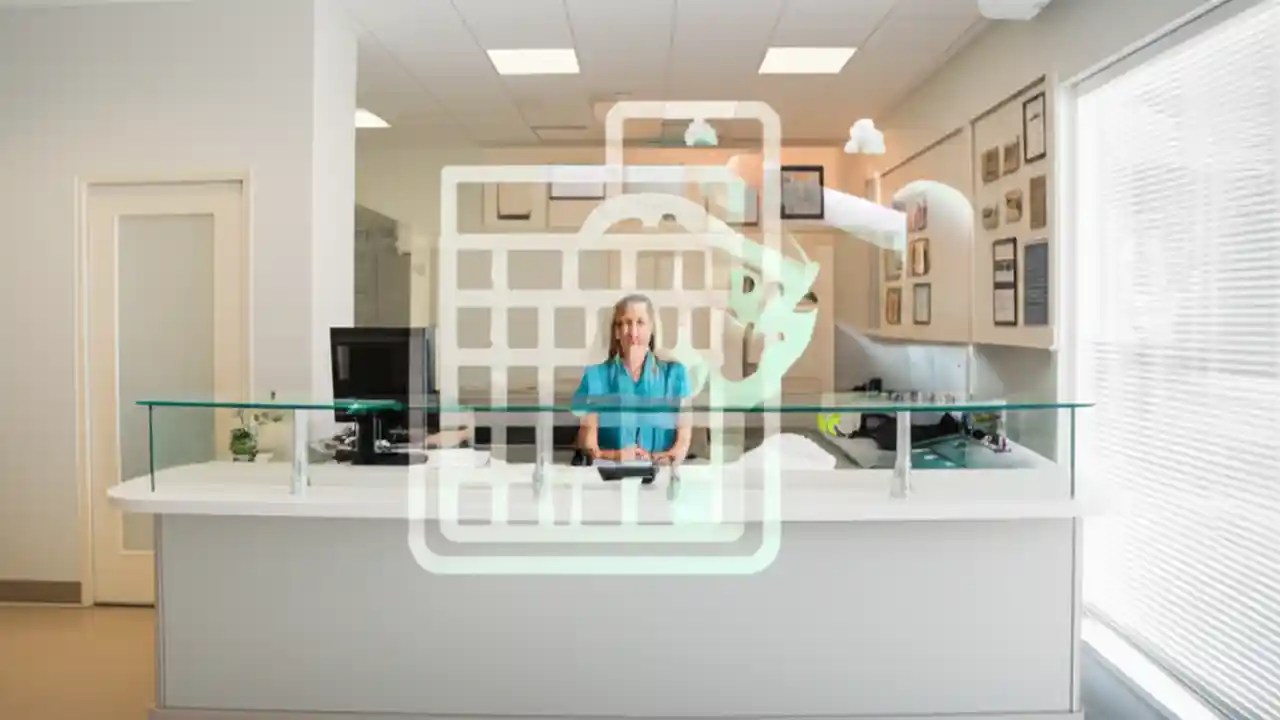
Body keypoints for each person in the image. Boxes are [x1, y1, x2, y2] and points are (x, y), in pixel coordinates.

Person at [574, 293, 692, 465]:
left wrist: (654, 459)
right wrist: (617, 456)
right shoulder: (595, 377)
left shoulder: (675, 375)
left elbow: (682, 442)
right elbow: (589, 446)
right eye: (626, 323)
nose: (633, 332)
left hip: (662, 472)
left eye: (640, 322)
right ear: (616, 331)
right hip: (609, 473)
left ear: (651, 329)